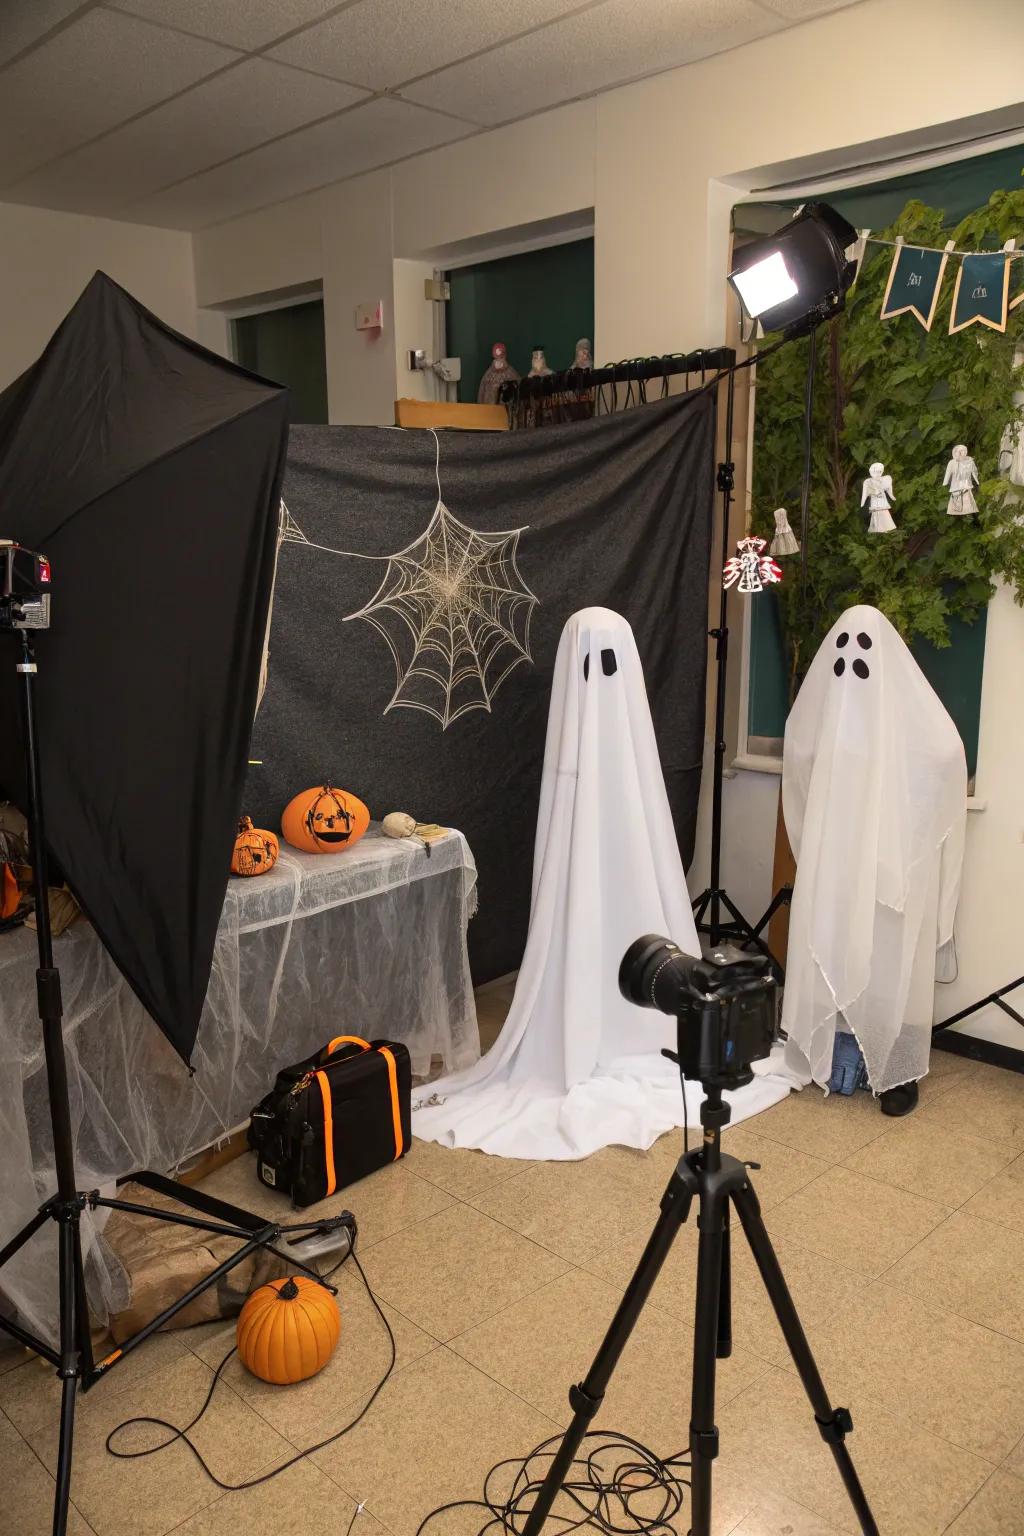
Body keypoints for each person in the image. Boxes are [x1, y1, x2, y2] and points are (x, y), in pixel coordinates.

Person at [414, 608, 788, 1157]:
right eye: (590, 664)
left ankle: (636, 1019)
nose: (600, 680)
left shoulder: (636, 756)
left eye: (611, 662)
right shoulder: (565, 766)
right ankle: (580, 1019)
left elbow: (646, 842)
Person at [781, 605, 966, 1115]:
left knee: (885, 957)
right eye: (841, 650)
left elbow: (946, 755)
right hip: (834, 864)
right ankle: (829, 1050)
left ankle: (892, 1068)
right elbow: (799, 759)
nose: (851, 663)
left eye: (864, 650)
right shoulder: (819, 719)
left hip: (889, 867)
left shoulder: (907, 719)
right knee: (833, 942)